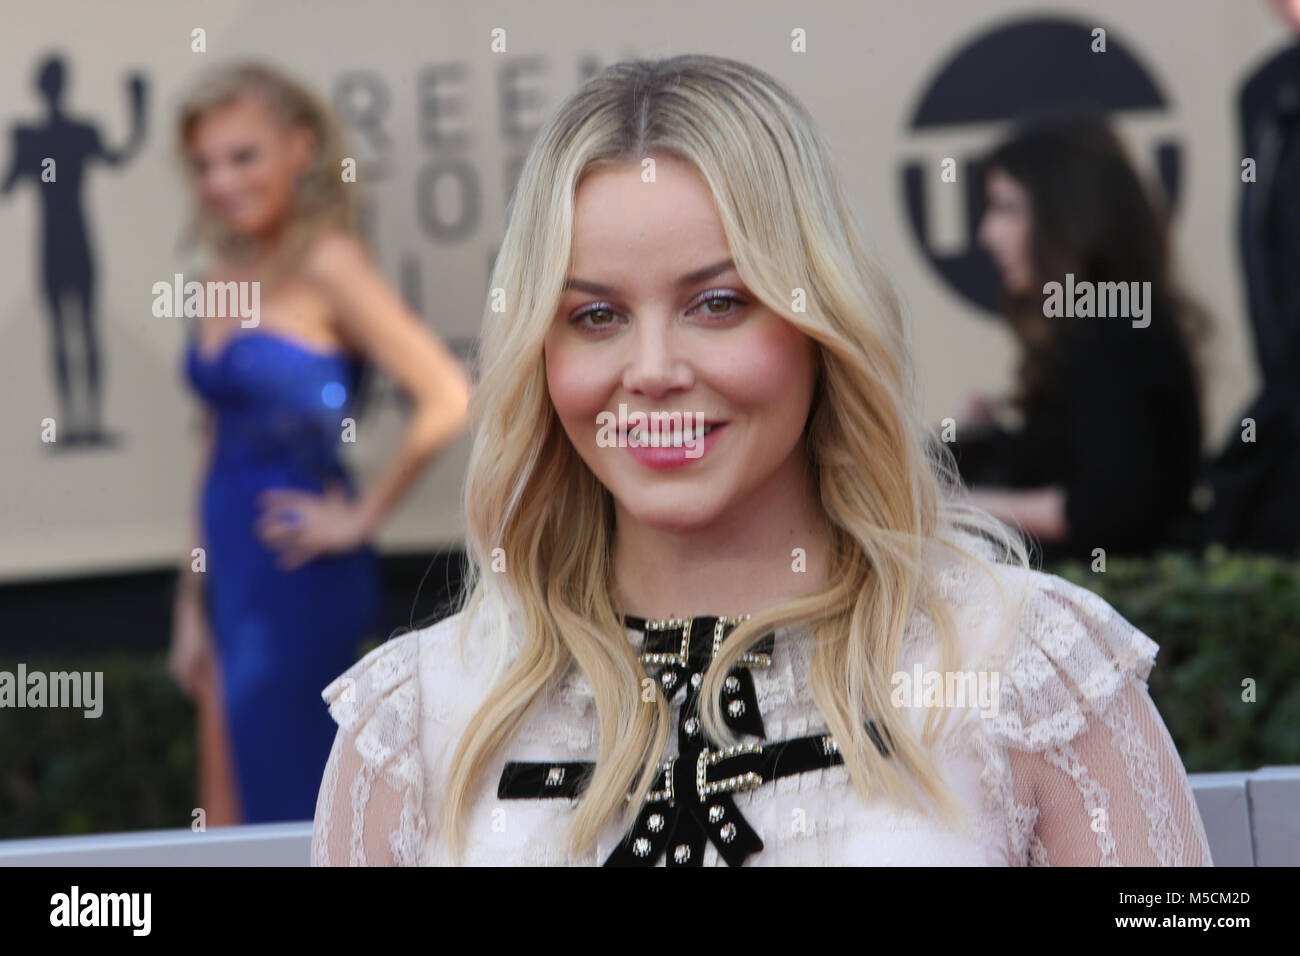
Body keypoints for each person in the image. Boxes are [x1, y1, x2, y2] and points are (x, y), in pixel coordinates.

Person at [311, 55, 1212, 866]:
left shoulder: (1028, 666)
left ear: (820, 325)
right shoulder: (416, 720)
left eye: (717, 303)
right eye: (596, 316)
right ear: (538, 358)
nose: (654, 372)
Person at [168, 63, 472, 824]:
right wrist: (188, 603)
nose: (222, 181)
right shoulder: (216, 277)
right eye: (205, 164)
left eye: (243, 156)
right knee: (224, 806)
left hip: (298, 574)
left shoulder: (329, 262)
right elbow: (213, 446)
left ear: (300, 149)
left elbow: (445, 395)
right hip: (229, 574)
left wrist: (360, 517)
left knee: (292, 802)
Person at [954, 115, 1207, 567]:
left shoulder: (1110, 330)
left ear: (1068, 214)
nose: (987, 235)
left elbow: (1109, 512)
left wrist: (958, 508)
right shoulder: (1107, 319)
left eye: (1006, 208)